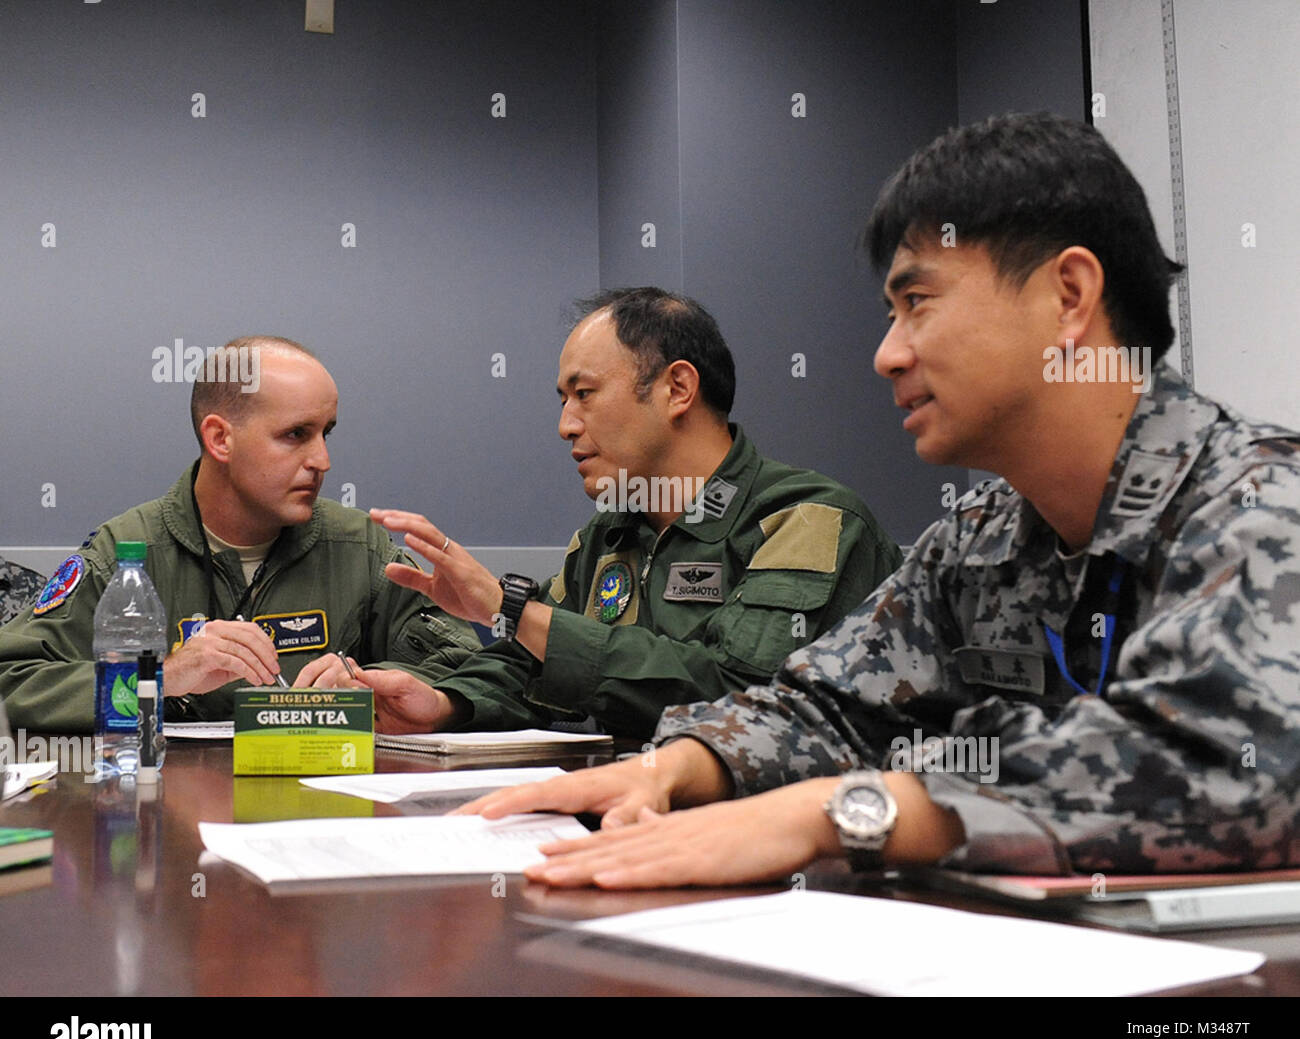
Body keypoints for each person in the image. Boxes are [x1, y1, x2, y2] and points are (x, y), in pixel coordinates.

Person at [461, 113, 1300, 887]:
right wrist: (680, 764)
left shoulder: (1261, 506)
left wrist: (843, 814)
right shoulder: (976, 540)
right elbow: (828, 703)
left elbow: (1226, 766)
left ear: (1069, 297)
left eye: (917, 302)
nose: (887, 354)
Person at [311, 288, 900, 739]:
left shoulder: (806, 518)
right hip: (622, 822)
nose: (566, 424)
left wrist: (506, 607)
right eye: (563, 400)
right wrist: (443, 703)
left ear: (677, 389)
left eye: (584, 394)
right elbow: (528, 666)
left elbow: (739, 691)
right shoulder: (610, 532)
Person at [0, 336, 480, 731]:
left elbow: (473, 671)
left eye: (325, 433)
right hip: (165, 819)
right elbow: (13, 684)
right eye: (296, 434)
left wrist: (371, 683)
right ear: (220, 438)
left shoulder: (361, 548)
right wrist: (160, 678)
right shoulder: (126, 555)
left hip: (318, 816)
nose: (322, 461)